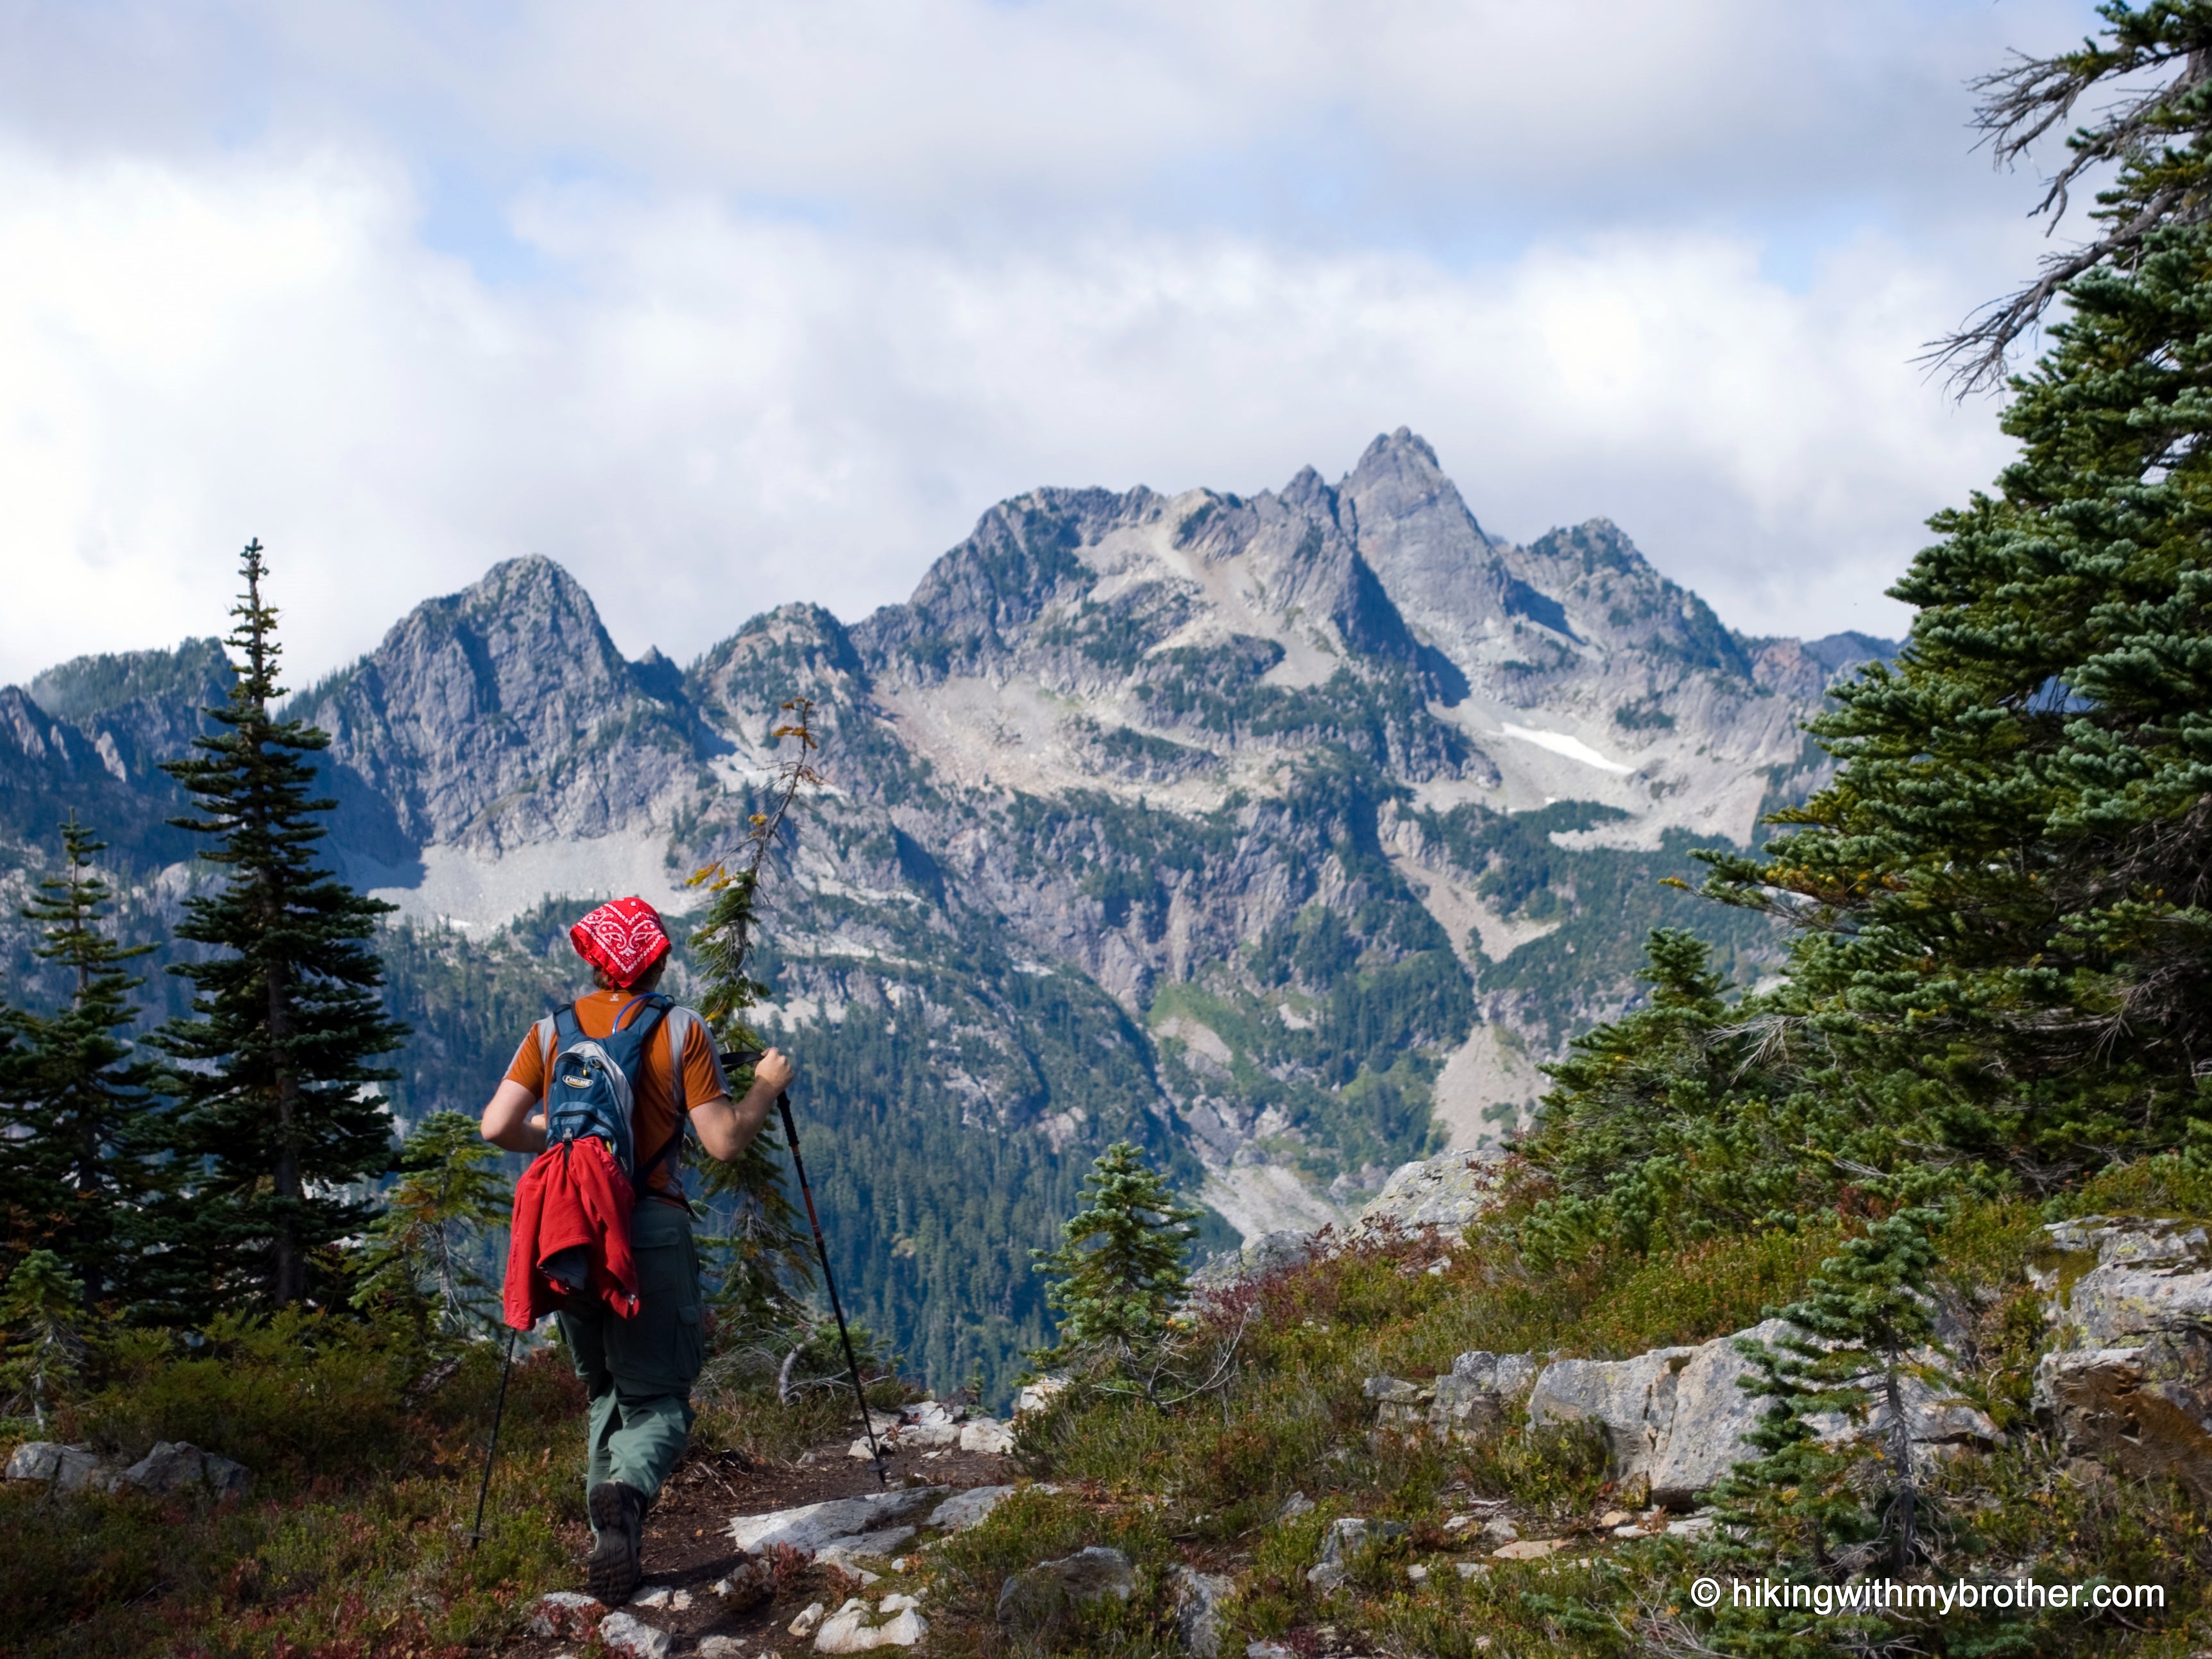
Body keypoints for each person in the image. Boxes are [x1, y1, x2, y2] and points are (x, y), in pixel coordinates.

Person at [481, 895, 794, 1602]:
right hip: (646, 1226)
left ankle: (611, 1550)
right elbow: (722, 1141)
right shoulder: (679, 1028)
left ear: (590, 959)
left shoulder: (551, 1031)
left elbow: (496, 1126)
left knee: (606, 1391)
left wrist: (565, 1142)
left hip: (566, 1229)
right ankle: (624, 1491)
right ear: (658, 958)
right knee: (658, 1398)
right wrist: (766, 1091)